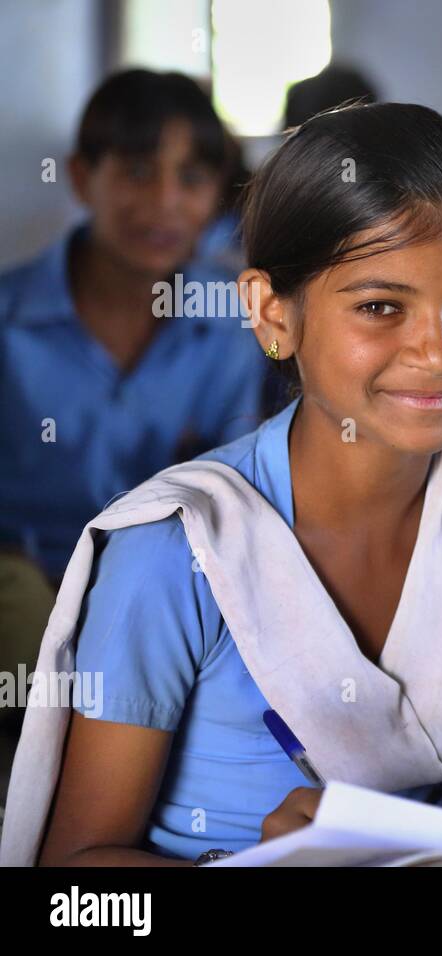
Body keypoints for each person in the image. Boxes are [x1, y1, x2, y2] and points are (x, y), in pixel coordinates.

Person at [1, 103, 442, 867]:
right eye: (381, 307)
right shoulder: (179, 545)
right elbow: (76, 884)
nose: (440, 351)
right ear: (269, 313)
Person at [0, 69, 264, 707]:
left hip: (165, 592)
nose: (166, 203)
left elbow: (231, 498)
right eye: (139, 173)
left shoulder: (232, 324)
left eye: (193, 180)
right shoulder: (9, 321)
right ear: (83, 177)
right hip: (21, 586)